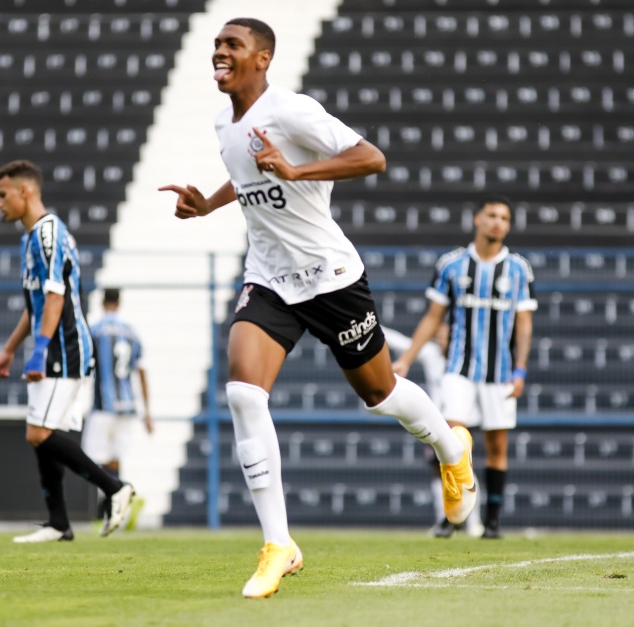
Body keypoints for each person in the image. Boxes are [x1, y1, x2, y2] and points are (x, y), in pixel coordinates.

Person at [158, 18, 477, 598]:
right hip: (270, 279)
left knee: (380, 396)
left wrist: (297, 170)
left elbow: (371, 157)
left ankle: (452, 450)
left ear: (263, 57)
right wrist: (208, 204)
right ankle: (279, 544)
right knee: (243, 393)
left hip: (331, 278)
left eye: (232, 45)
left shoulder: (292, 110)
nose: (220, 53)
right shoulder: (223, 123)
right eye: (217, 46)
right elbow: (247, 175)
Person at [0, 159, 135, 543]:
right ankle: (58, 522)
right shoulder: (30, 238)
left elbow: (55, 295)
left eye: (3, 195)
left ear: (26, 191)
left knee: (38, 433)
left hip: (63, 346)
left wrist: (38, 351)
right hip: (49, 342)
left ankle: (115, 488)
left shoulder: (48, 232)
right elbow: (35, 304)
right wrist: (8, 351)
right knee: (41, 429)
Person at [393, 195, 535, 540]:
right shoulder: (452, 265)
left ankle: (493, 523)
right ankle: (450, 517)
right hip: (458, 370)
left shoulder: (518, 269)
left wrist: (520, 370)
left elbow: (524, 323)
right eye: (491, 215)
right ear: (477, 219)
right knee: (452, 441)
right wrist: (406, 359)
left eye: (504, 217)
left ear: (508, 225)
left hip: (499, 374)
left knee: (497, 447)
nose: (497, 222)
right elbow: (433, 317)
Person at [384, 324, 483, 537]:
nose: (442, 341)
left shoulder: (468, 356)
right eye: (439, 337)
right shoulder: (430, 354)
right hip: (438, 423)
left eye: (445, 337)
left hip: (462, 421)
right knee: (438, 472)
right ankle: (446, 520)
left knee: (465, 469)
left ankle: (474, 522)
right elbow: (402, 343)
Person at [82, 288, 153, 529]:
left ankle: (108, 506)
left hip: (103, 406)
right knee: (114, 459)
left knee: (94, 460)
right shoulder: (131, 332)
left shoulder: (95, 330)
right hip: (127, 406)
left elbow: (85, 366)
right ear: (119, 303)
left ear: (103, 303)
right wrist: (147, 412)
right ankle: (118, 505)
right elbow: (141, 371)